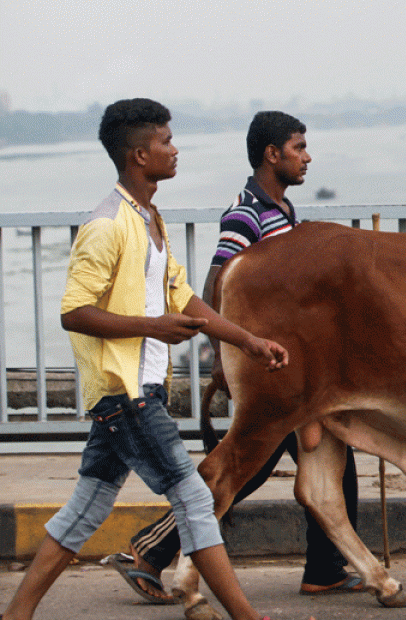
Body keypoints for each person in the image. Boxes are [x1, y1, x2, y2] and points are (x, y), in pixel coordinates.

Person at [0, 98, 308, 620]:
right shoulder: (107, 224)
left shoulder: (149, 220)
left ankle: (16, 614)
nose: (175, 149)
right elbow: (74, 311)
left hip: (135, 392)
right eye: (166, 141)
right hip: (127, 396)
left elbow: (183, 298)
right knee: (194, 500)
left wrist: (247, 341)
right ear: (140, 155)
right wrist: (154, 328)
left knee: (85, 509)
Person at [109, 111, 362, 604]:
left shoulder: (282, 210)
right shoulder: (246, 212)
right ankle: (152, 549)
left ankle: (324, 568)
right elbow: (219, 281)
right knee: (251, 465)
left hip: (287, 365)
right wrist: (226, 355)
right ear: (272, 154)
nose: (307, 157)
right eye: (298, 147)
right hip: (265, 367)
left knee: (289, 463)